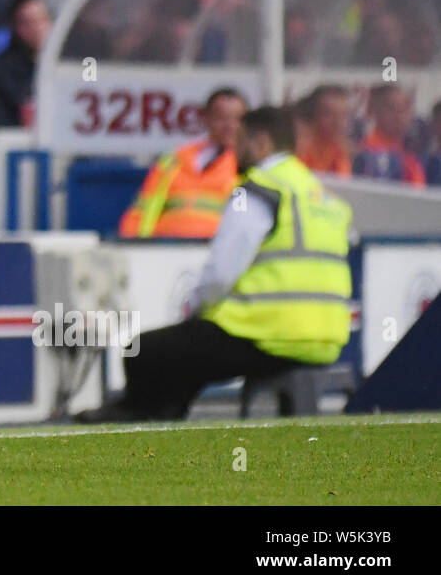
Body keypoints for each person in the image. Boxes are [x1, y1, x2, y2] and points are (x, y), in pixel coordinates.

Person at [79, 106, 353, 422]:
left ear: (261, 142)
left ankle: (137, 423)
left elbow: (221, 273)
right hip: (326, 340)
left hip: (267, 335)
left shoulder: (259, 191)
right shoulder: (322, 197)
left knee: (142, 350)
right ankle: (162, 416)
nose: (233, 150)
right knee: (188, 357)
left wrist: (196, 307)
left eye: (240, 141)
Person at [118, 87, 247, 238]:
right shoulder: (174, 160)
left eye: (237, 119)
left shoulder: (247, 165)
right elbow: (141, 209)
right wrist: (130, 244)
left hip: (217, 249)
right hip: (162, 249)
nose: (229, 126)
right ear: (206, 118)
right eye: (221, 118)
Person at [353, 85, 425, 188]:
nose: (399, 116)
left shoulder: (413, 156)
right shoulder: (363, 154)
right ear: (374, 110)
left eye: (405, 109)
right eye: (392, 108)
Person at [295, 84, 352, 177]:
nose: (338, 123)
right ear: (312, 115)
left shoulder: (341, 151)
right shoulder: (299, 150)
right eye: (329, 114)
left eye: (344, 115)